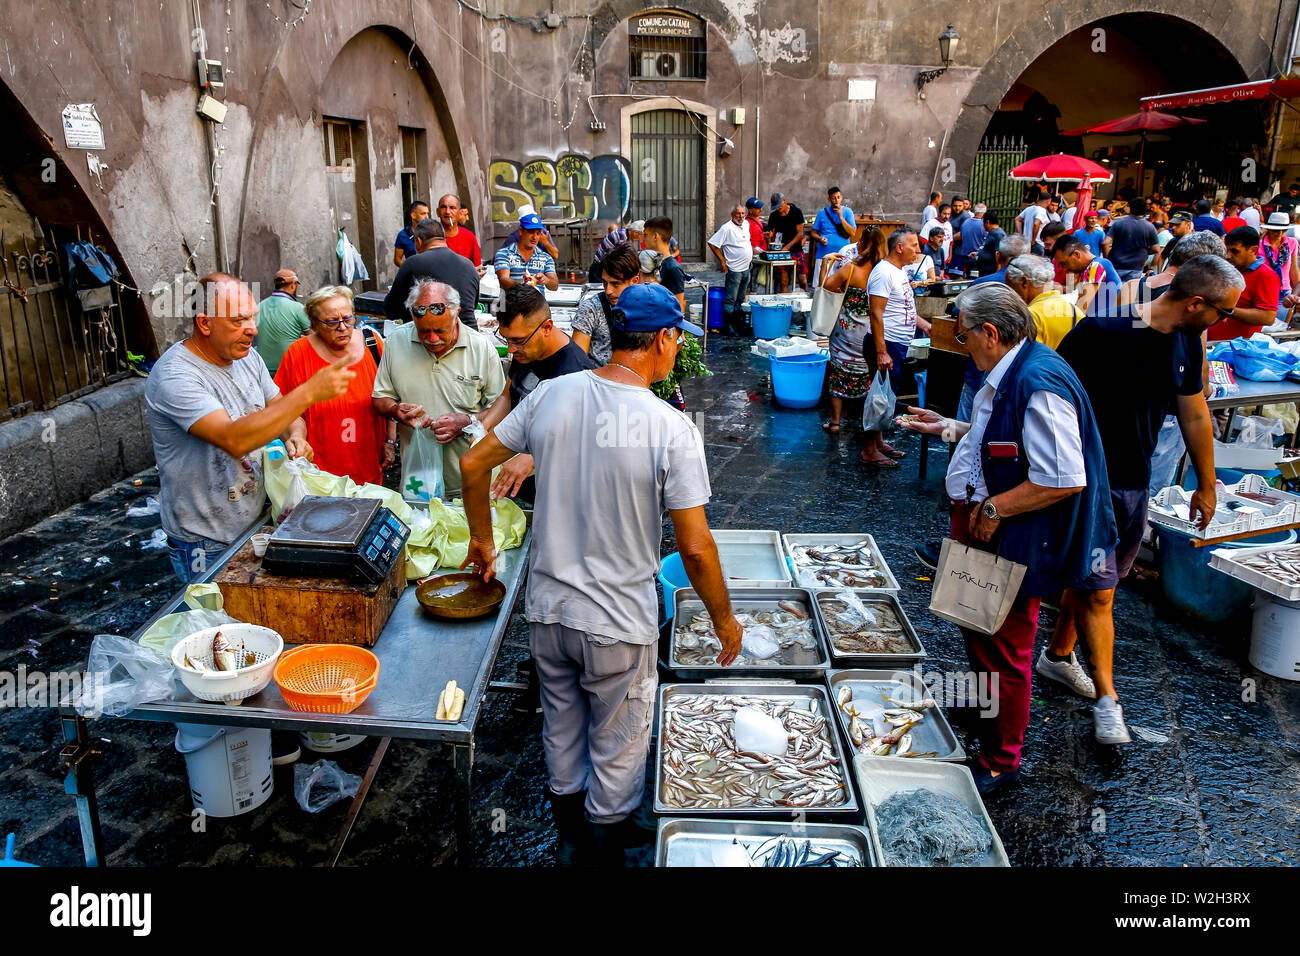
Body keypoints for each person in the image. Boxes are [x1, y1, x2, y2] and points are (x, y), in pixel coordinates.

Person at [459, 283, 741, 866]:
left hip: (548, 613)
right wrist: (724, 619)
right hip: (618, 622)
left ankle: (568, 837)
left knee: (562, 726)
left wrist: (482, 540)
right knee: (618, 742)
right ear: (664, 340)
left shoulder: (552, 397)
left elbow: (471, 462)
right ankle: (598, 850)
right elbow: (695, 546)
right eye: (675, 343)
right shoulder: (671, 428)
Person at [899, 283, 1118, 794]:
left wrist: (995, 508)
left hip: (1009, 537)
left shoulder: (1037, 382)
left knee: (1007, 645)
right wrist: (948, 428)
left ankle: (1002, 758)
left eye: (964, 333)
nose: (960, 341)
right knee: (976, 626)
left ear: (990, 332)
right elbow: (993, 437)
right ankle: (983, 702)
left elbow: (1063, 477)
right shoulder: (1009, 370)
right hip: (980, 527)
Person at [1044, 256, 1243, 745]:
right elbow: (1049, 393)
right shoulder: (1105, 330)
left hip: (1135, 483)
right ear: (1196, 303)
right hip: (1088, 483)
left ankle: (1056, 656)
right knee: (1101, 589)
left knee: (1099, 575)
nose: (1224, 322)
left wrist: (1208, 482)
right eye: (1222, 313)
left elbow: (1194, 413)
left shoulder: (1184, 341)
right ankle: (1109, 702)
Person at [146, 273, 353, 582]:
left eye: (252, 318)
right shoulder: (176, 376)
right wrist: (308, 392)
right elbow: (233, 439)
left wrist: (296, 436)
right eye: (239, 321)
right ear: (205, 323)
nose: (253, 330)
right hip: (207, 541)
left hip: (257, 523)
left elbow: (284, 413)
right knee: (219, 626)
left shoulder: (248, 359)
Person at [371, 280, 505, 499]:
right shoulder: (396, 342)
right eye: (424, 331)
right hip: (418, 481)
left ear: (457, 314)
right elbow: (380, 398)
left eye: (441, 330)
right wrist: (396, 411)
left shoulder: (481, 349)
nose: (432, 339)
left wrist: (467, 422)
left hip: (470, 480)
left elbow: (503, 410)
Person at [475, 284, 596, 502]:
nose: (511, 349)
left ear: (547, 327)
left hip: (551, 488)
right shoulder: (525, 351)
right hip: (510, 477)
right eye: (506, 338)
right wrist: (482, 429)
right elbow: (508, 395)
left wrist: (531, 457)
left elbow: (577, 435)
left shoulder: (576, 371)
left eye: (518, 341)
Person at [273, 285, 389, 485]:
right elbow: (284, 408)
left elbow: (390, 392)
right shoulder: (298, 353)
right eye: (332, 322)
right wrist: (296, 436)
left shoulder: (373, 345)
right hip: (318, 473)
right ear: (315, 324)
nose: (342, 327)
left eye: (347, 319)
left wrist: (390, 441)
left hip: (368, 467)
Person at [860, 228, 930, 467]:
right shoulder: (883, 272)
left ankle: (879, 442)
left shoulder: (898, 271)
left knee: (886, 396)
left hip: (896, 344)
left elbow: (902, 307)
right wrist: (882, 351)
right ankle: (869, 450)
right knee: (879, 398)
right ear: (899, 247)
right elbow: (876, 313)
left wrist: (922, 323)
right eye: (914, 246)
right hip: (885, 344)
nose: (918, 251)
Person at [821, 226, 885, 436]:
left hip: (845, 330)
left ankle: (836, 421)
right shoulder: (883, 272)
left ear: (860, 245)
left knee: (839, 371)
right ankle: (866, 421)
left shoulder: (850, 269)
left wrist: (825, 263)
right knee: (867, 371)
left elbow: (827, 286)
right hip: (870, 331)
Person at [384, 218, 480, 329]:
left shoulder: (412, 264)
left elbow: (391, 310)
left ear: (418, 241)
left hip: (430, 339)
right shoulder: (468, 265)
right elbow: (472, 305)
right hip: (470, 335)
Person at [573, 242, 640, 364]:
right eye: (604, 283)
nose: (608, 291)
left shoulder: (646, 306)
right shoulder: (591, 309)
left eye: (615, 284)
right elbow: (577, 362)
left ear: (634, 281)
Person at [1006, 254, 1082, 349]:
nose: (1010, 293)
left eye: (1010, 286)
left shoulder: (1028, 317)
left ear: (1024, 282)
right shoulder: (1075, 310)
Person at [1217, 226, 1280, 340]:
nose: (1228, 256)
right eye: (1227, 250)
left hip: (1236, 347)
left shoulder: (1265, 275)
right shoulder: (1229, 268)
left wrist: (1226, 310)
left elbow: (1268, 317)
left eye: (1235, 251)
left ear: (1253, 250)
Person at [707, 204, 754, 335]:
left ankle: (737, 324)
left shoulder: (746, 224)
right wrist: (722, 261)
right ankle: (728, 327)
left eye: (743, 213)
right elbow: (712, 244)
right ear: (732, 215)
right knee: (730, 299)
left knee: (740, 298)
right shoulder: (726, 228)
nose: (741, 216)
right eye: (738, 214)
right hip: (734, 269)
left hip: (746, 268)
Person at [253, 268, 308, 376]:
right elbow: (314, 338)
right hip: (289, 367)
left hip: (264, 369)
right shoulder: (298, 308)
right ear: (293, 285)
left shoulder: (259, 306)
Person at [1052, 234, 1121, 315]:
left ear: (1077, 254)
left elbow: (1081, 308)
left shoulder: (1096, 266)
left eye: (1064, 263)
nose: (1064, 269)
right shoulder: (1097, 264)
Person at [495, 212, 560, 291]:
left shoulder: (546, 258)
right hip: (513, 302)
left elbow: (555, 286)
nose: (534, 237)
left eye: (538, 233)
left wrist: (546, 280)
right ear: (521, 231)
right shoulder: (504, 254)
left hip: (538, 303)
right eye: (530, 232)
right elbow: (503, 281)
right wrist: (522, 284)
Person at [810, 186, 857, 286]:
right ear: (829, 199)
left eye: (838, 197)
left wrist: (840, 217)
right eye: (833, 198)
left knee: (838, 287)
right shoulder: (822, 213)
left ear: (842, 197)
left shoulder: (847, 212)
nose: (836, 200)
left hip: (842, 256)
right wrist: (820, 238)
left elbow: (853, 232)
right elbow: (813, 233)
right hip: (824, 255)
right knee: (820, 286)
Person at [1259, 211, 1300, 324]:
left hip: (1284, 293)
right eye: (1276, 230)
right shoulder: (1259, 245)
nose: (1280, 233)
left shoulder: (1292, 243)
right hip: (1264, 291)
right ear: (1269, 229)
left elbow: (1293, 268)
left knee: (1278, 328)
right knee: (1263, 329)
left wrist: (1295, 293)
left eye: (1283, 230)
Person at [1106, 196, 1159, 281]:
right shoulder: (1150, 227)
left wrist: (1107, 257)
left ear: (1130, 208)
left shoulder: (1118, 223)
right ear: (1145, 209)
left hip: (1116, 265)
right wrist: (1143, 251)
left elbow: (1105, 242)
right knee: (1130, 293)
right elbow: (1156, 249)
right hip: (1136, 267)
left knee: (1109, 293)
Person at [644, 216, 686, 312]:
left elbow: (678, 309)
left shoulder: (673, 268)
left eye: (645, 235)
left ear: (655, 236)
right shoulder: (653, 263)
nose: (643, 238)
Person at [766, 192, 806, 291]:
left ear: (784, 201)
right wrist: (769, 235)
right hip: (781, 252)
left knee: (803, 280)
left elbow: (800, 233)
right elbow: (772, 232)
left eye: (779, 206)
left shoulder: (796, 212)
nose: (778, 208)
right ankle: (784, 304)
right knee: (783, 281)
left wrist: (788, 247)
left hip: (796, 249)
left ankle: (807, 302)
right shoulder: (774, 216)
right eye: (776, 207)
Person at [437, 194, 481, 267]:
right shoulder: (431, 236)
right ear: (438, 212)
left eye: (452, 208)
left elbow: (477, 267)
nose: (447, 212)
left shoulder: (469, 237)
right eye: (443, 207)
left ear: (460, 213)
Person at [394, 200, 429, 268]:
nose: (427, 217)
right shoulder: (403, 235)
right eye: (423, 214)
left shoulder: (432, 231)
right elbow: (397, 259)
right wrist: (409, 269)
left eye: (427, 213)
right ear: (413, 215)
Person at [959, 203, 988, 276]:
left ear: (975, 212)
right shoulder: (983, 225)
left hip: (965, 256)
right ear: (984, 213)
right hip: (977, 257)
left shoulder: (965, 222)